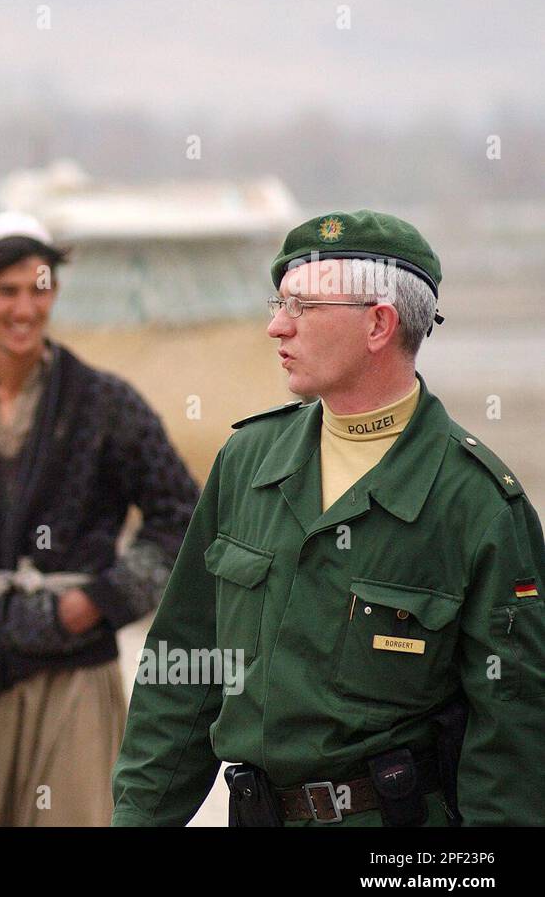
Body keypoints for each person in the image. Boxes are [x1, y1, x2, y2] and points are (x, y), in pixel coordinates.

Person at [112, 210, 545, 827]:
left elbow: (515, 736)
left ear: (378, 324)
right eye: (277, 303)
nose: (274, 327)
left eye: (302, 307)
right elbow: (182, 668)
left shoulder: (474, 503)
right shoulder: (248, 461)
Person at [0, 211, 198, 826]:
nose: (22, 309)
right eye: (5, 291)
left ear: (54, 293)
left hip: (76, 675)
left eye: (38, 288)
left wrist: (98, 600)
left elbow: (181, 514)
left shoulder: (105, 402)